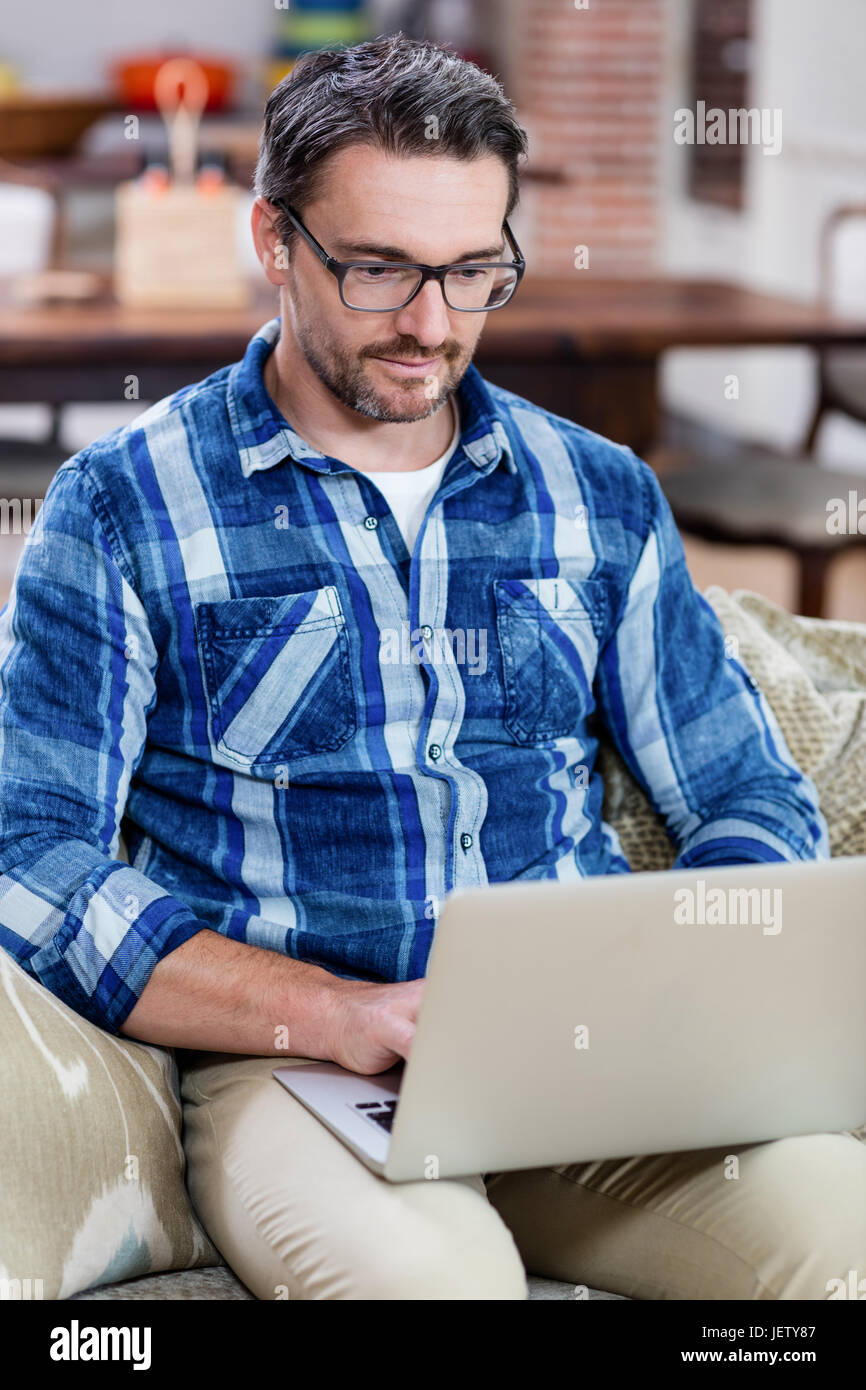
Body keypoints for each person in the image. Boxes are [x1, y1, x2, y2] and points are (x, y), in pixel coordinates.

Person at [0, 34, 862, 1301]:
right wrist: (334, 1013)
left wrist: (696, 977)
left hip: (587, 1060)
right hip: (296, 1068)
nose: (430, 325)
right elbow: (38, 858)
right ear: (274, 241)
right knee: (434, 1289)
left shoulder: (597, 496)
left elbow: (746, 788)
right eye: (377, 270)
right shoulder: (125, 505)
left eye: (473, 272)